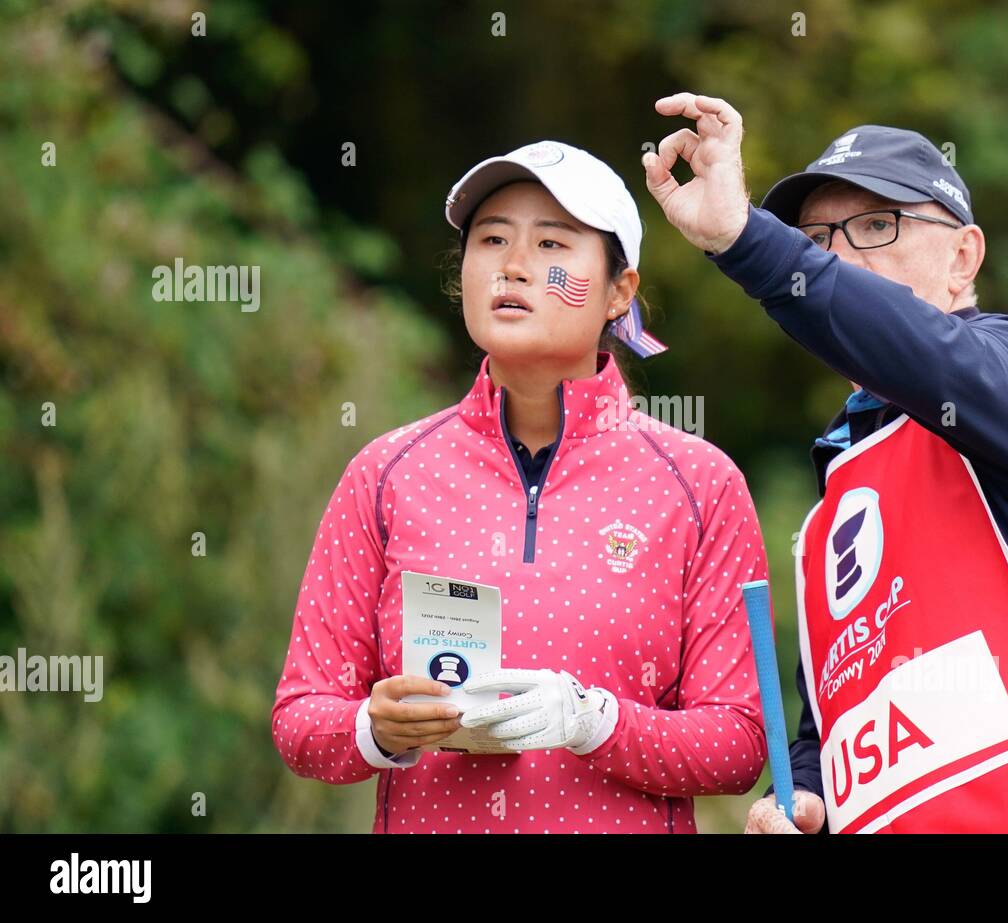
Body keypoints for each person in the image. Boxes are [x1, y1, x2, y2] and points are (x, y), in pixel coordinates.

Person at [643, 93, 1008, 834]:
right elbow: (831, 731)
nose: (842, 257)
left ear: (964, 256)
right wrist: (802, 795)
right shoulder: (830, 510)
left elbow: (924, 352)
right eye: (817, 238)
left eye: (879, 225)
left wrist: (744, 238)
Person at [272, 139, 769, 833]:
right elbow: (300, 717)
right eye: (492, 239)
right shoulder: (386, 474)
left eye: (552, 245)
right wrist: (375, 728)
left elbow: (741, 743)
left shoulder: (701, 485)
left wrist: (595, 722)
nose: (512, 265)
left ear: (619, 290)